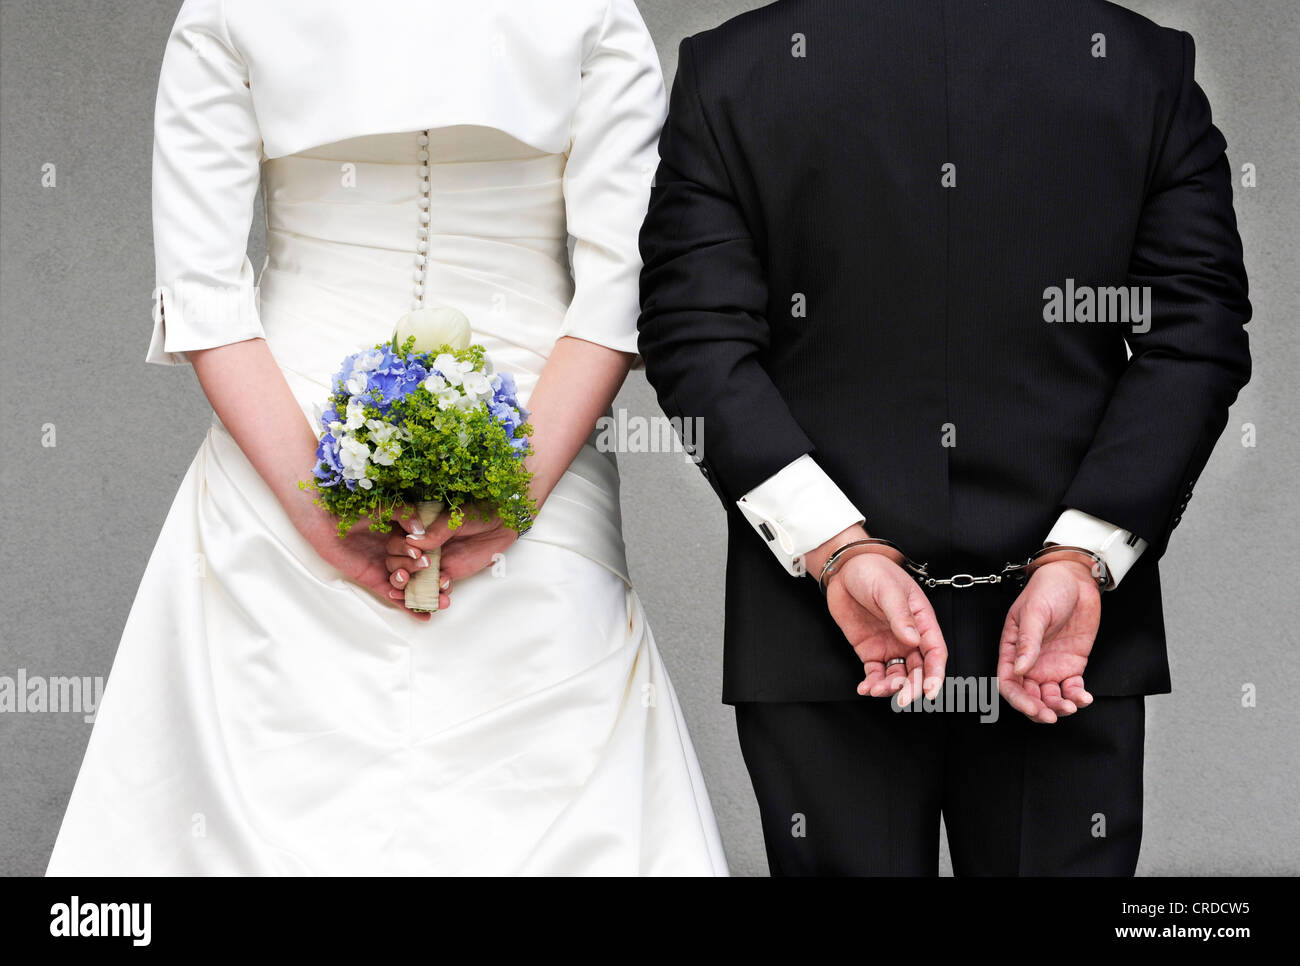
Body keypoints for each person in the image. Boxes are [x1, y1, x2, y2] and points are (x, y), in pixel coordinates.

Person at [47, 0, 726, 876]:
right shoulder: (593, 11)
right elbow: (618, 292)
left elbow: (204, 296)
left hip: (286, 447)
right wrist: (511, 498)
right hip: (536, 443)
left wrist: (319, 510)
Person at [638, 0, 1251, 875]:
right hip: (1068, 641)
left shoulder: (734, 68)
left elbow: (694, 340)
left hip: (826, 632)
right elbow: (1197, 334)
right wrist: (1082, 556)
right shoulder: (1140, 63)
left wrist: (837, 550)